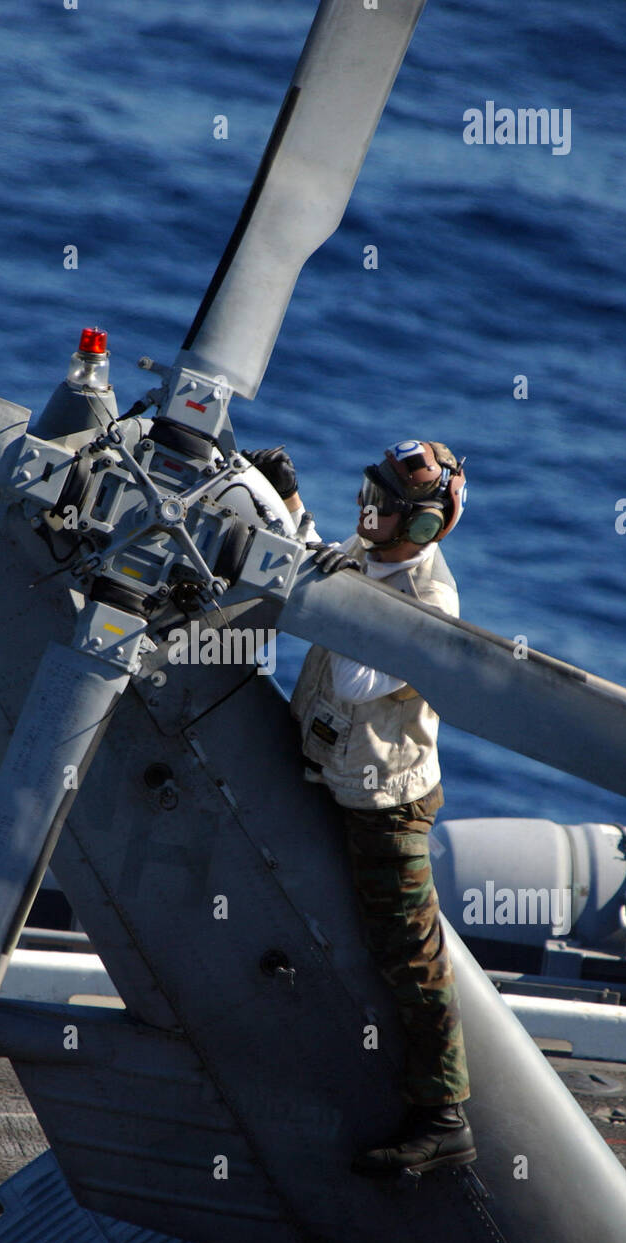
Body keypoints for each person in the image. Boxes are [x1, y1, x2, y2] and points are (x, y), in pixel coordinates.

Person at [244, 439, 476, 1175]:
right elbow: (321, 561)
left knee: (410, 957)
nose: (366, 510)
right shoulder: (369, 551)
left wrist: (337, 579)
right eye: (368, 494)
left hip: (384, 801)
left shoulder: (428, 608)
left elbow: (351, 677)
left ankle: (442, 1117)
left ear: (417, 529)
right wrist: (287, 504)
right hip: (327, 768)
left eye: (384, 507)